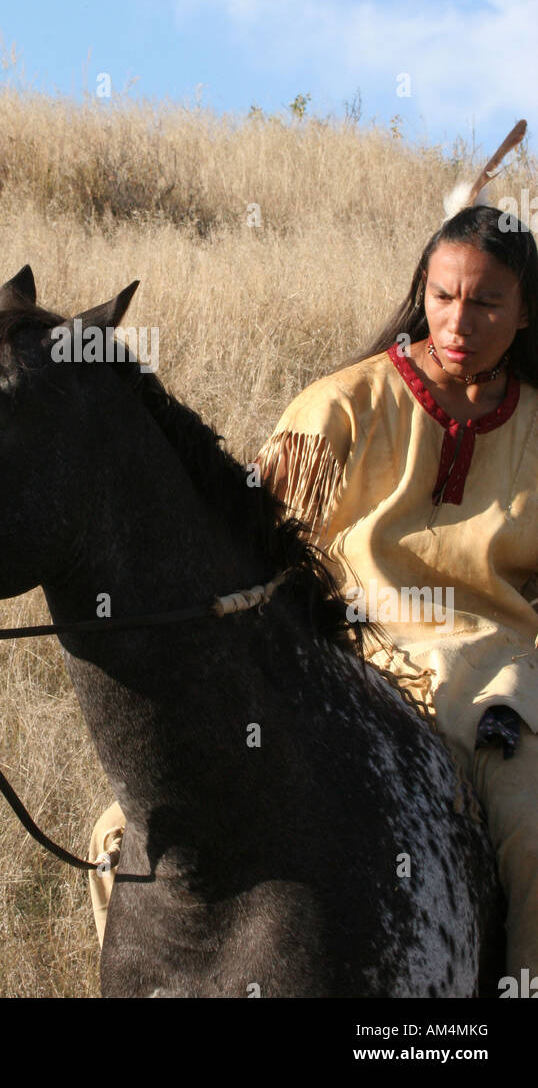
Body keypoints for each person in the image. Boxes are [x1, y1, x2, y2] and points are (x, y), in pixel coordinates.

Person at [89, 202, 538, 987]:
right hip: (345, 657)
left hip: (497, 671)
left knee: (534, 839)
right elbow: (252, 554)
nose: (458, 319)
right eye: (442, 295)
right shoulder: (341, 407)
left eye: (487, 301)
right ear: (421, 292)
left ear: (527, 311)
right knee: (121, 835)